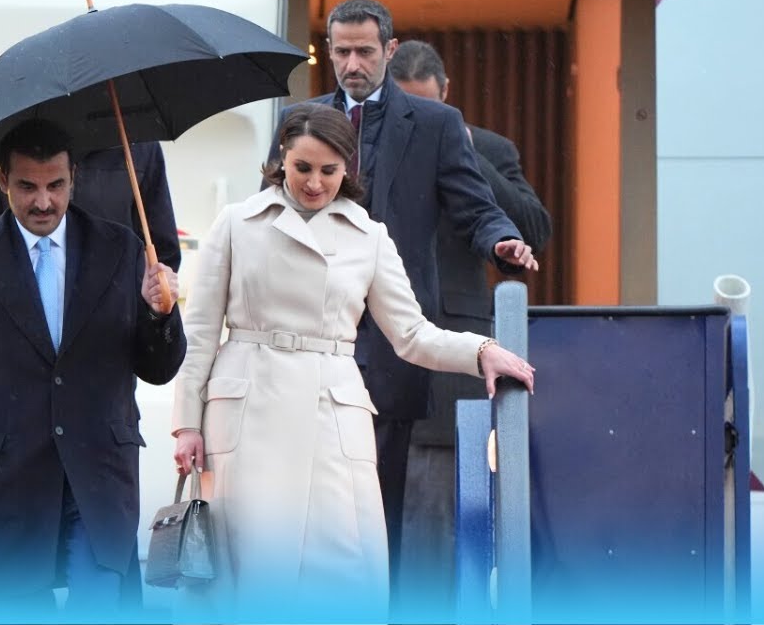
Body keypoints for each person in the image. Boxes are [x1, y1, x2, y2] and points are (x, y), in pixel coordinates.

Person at [174, 102, 536, 620]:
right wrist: (187, 423)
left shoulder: (369, 236)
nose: (315, 183)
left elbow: (411, 335)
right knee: (254, 578)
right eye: (302, 168)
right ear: (281, 159)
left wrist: (480, 351)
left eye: (328, 170)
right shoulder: (235, 224)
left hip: (331, 416)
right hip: (247, 410)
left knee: (343, 575)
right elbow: (202, 332)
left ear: (348, 167)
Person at [265, 0, 539, 593]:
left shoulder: (436, 124)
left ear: (389, 50)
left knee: (376, 512)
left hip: (391, 345)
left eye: (365, 50)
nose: (352, 63)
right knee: (298, 513)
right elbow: (269, 213)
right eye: (341, 51)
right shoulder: (299, 120)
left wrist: (503, 245)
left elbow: (475, 207)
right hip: (305, 343)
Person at [0, 119, 187, 619]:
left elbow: (159, 369)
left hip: (98, 479)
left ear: (73, 178)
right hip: (3, 485)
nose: (43, 202)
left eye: (55, 185)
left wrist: (160, 313)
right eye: (27, 187)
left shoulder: (122, 249)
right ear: (1, 181)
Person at [388, 39, 552, 609]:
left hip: (453, 368)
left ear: (447, 98)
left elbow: (534, 228)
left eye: (427, 107)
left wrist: (457, 147)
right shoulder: (360, 143)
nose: (415, 118)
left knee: (441, 525)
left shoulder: (488, 147)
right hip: (376, 355)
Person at [0, 140, 181, 272]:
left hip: (111, 333)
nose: (43, 204)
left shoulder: (137, 145)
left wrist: (143, 311)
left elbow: (161, 255)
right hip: (12, 331)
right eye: (27, 186)